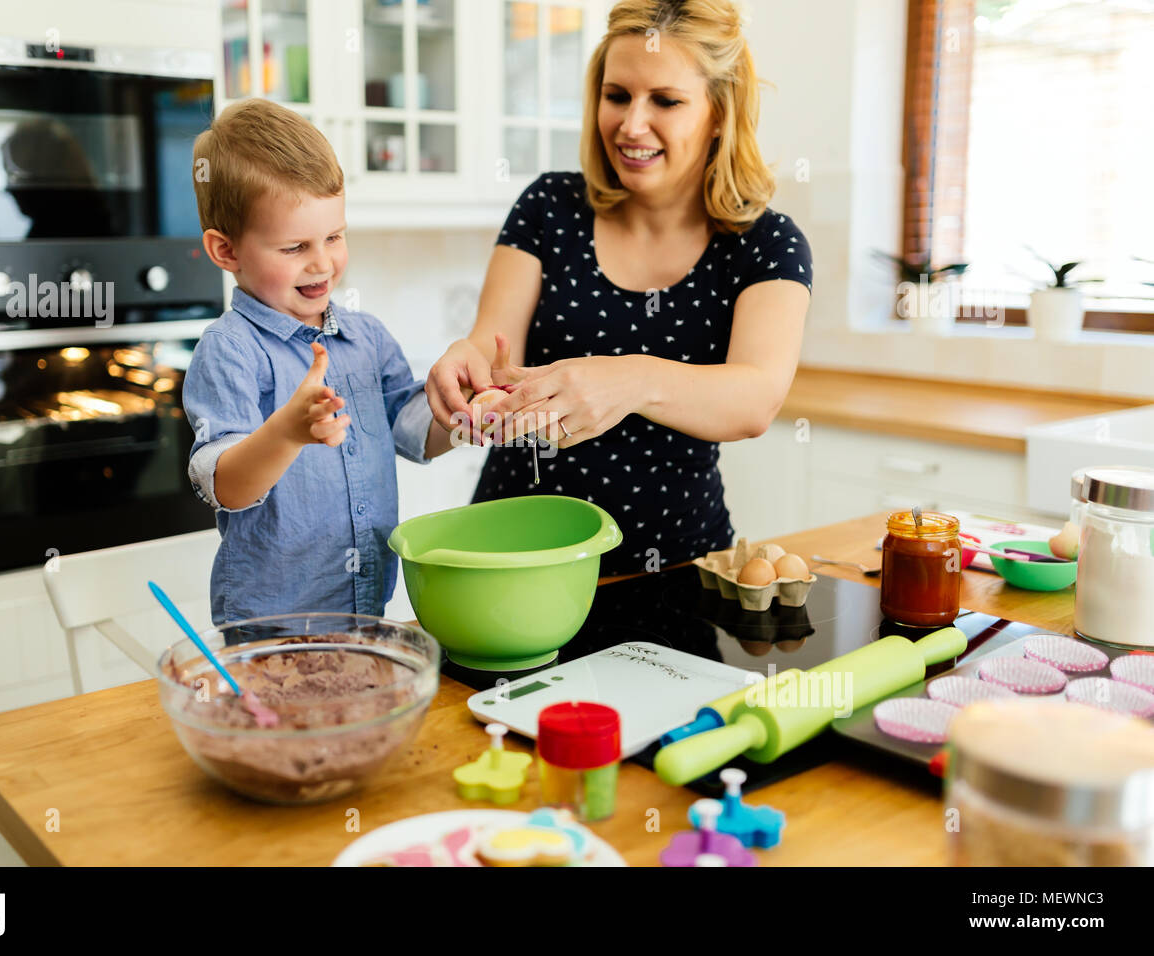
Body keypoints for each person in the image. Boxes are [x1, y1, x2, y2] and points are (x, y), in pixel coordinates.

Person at [425, 0, 812, 577]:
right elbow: (490, 345)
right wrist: (467, 365)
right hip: (513, 559)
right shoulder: (548, 207)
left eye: (666, 100)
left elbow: (756, 399)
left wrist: (632, 379)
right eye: (617, 95)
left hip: (674, 567)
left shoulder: (766, 244)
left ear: (718, 112)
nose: (631, 124)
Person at [182, 99, 457, 625]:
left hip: (366, 614)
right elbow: (224, 486)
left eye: (334, 236)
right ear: (225, 251)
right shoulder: (229, 350)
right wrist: (289, 431)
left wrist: (469, 418)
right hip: (271, 632)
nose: (323, 261)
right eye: (294, 247)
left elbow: (415, 431)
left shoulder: (366, 336)